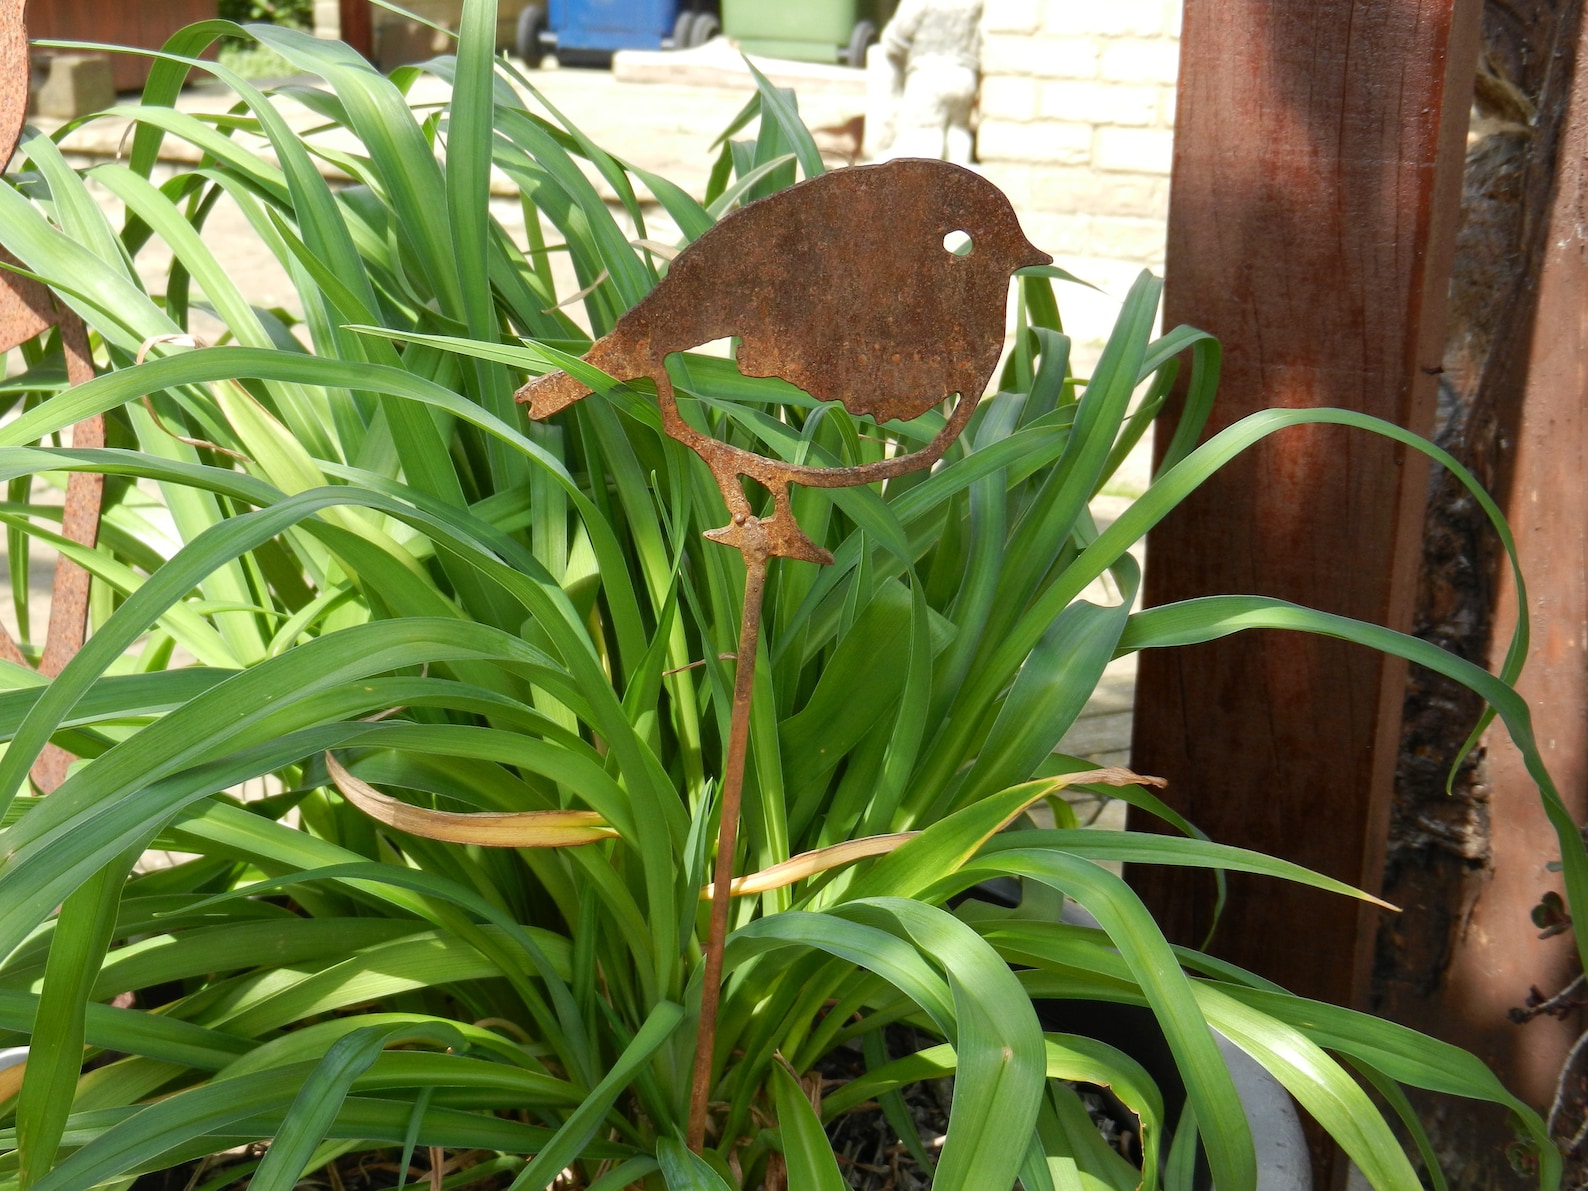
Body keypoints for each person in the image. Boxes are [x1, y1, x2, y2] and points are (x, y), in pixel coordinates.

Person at [876, 0, 981, 164]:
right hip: (964, 75)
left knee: (924, 133)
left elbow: (897, 37)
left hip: (929, 74)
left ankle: (924, 184)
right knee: (958, 130)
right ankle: (962, 180)